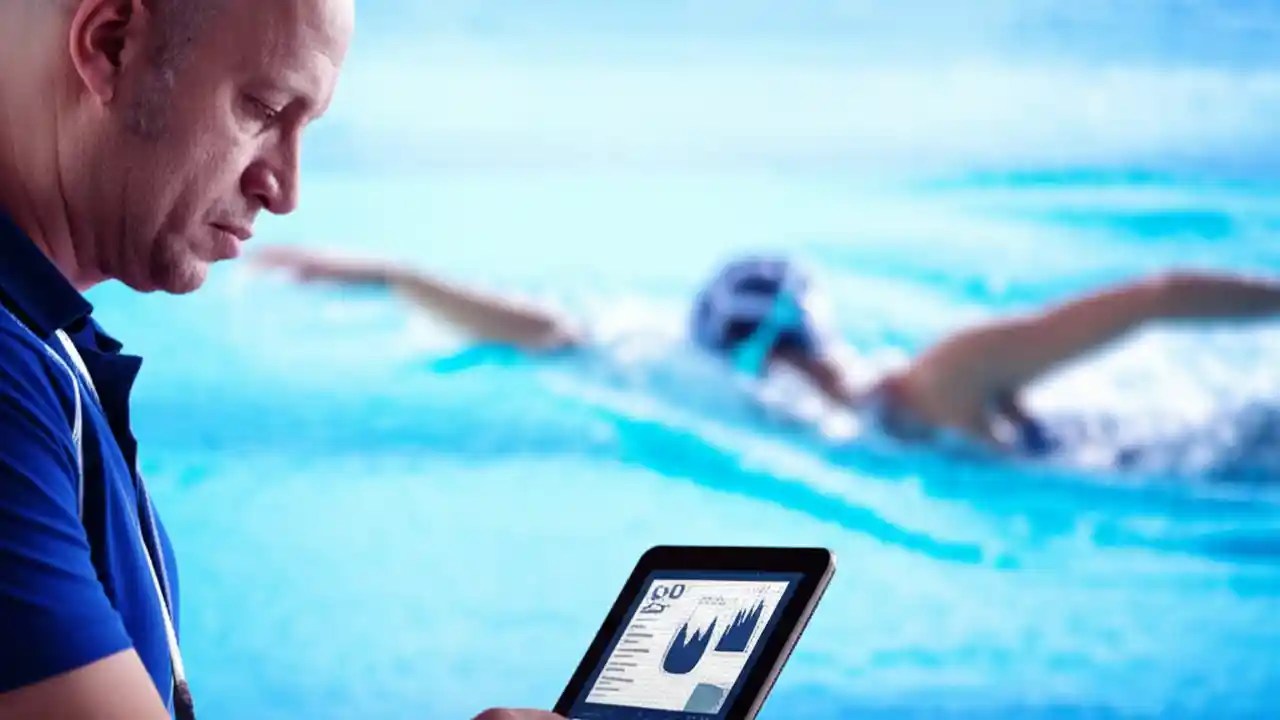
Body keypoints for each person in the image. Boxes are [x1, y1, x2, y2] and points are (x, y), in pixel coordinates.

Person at [0, 2, 560, 719]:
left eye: (306, 127)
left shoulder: (51, 347)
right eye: (263, 109)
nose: (285, 189)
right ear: (110, 46)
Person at [254, 246, 1280, 454]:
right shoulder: (703, 376)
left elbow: (1153, 298)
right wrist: (385, 275)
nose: (792, 381)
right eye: (759, 366)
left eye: (792, 355)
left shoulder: (942, 379)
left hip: (1214, 451)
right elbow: (551, 334)